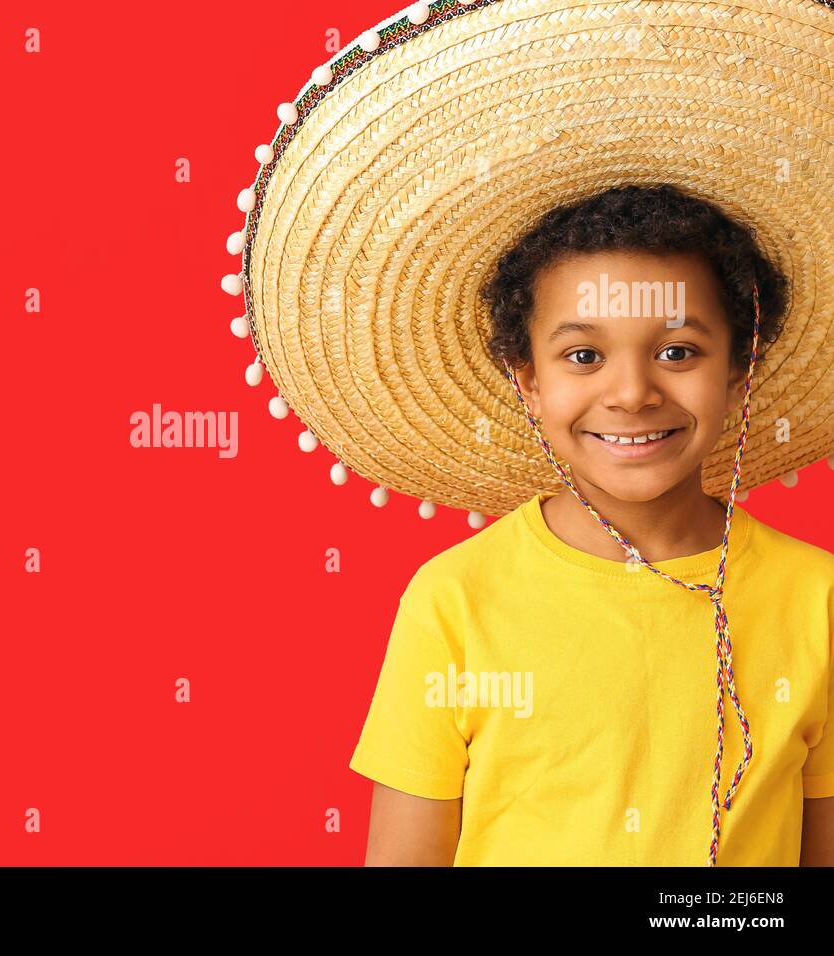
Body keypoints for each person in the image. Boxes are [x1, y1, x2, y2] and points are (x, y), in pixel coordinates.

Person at [226, 0, 834, 865]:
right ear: (527, 380)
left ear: (741, 366)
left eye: (676, 348)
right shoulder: (457, 604)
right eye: (583, 354)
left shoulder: (818, 603)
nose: (631, 391)